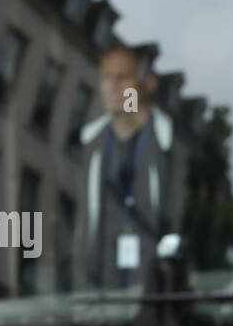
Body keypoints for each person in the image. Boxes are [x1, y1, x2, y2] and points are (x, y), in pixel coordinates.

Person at [69, 42, 179, 291]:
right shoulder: (88, 146)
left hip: (156, 301)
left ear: (148, 84)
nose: (112, 87)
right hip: (99, 302)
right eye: (106, 78)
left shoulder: (168, 146)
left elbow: (178, 223)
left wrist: (169, 273)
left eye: (122, 78)